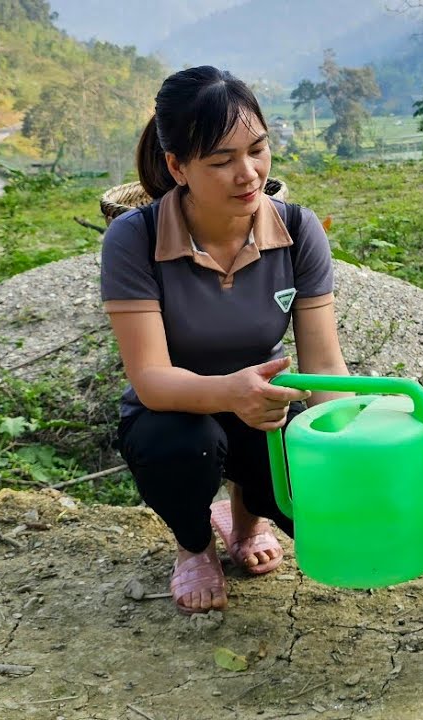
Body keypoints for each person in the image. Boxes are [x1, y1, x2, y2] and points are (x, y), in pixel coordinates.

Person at [99, 66, 349, 615]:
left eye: (257, 150)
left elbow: (324, 362)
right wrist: (231, 393)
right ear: (176, 167)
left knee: (316, 508)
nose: (248, 174)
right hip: (174, 413)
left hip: (264, 405)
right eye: (220, 161)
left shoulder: (299, 230)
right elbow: (152, 379)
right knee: (181, 446)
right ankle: (194, 546)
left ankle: (247, 516)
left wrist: (345, 450)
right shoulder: (134, 240)